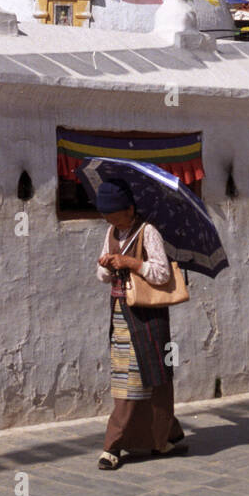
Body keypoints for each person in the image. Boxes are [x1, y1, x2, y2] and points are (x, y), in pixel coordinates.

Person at [95, 178, 186, 470]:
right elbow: (101, 276)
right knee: (126, 381)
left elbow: (162, 275)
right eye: (107, 216)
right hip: (121, 315)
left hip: (148, 317)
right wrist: (107, 266)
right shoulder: (111, 232)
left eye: (115, 215)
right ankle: (150, 438)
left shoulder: (149, 233)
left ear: (130, 209)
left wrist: (133, 264)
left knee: (153, 377)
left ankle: (123, 444)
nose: (110, 221)